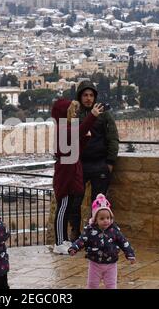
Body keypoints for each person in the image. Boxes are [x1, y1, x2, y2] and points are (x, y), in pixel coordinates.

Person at [51, 98, 103, 254]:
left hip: (71, 169)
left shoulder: (66, 127)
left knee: (68, 206)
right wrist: (92, 116)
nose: (74, 113)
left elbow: (76, 148)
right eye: (71, 110)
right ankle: (59, 242)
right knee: (63, 206)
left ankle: (64, 239)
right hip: (65, 171)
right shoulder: (61, 128)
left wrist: (86, 138)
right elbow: (78, 132)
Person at [69, 80, 120, 240]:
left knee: (98, 204)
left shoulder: (104, 114)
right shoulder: (74, 115)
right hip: (80, 165)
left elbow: (113, 138)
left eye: (91, 95)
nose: (88, 98)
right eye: (85, 95)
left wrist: (110, 162)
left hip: (99, 164)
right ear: (80, 96)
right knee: (75, 201)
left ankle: (96, 236)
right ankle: (75, 233)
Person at [68, 194, 135, 289]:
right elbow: (82, 240)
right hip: (95, 264)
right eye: (102, 218)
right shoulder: (90, 231)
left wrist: (130, 254)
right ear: (95, 220)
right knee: (92, 285)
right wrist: (74, 247)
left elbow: (124, 242)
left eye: (108, 218)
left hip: (111, 264)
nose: (106, 221)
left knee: (111, 285)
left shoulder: (114, 230)